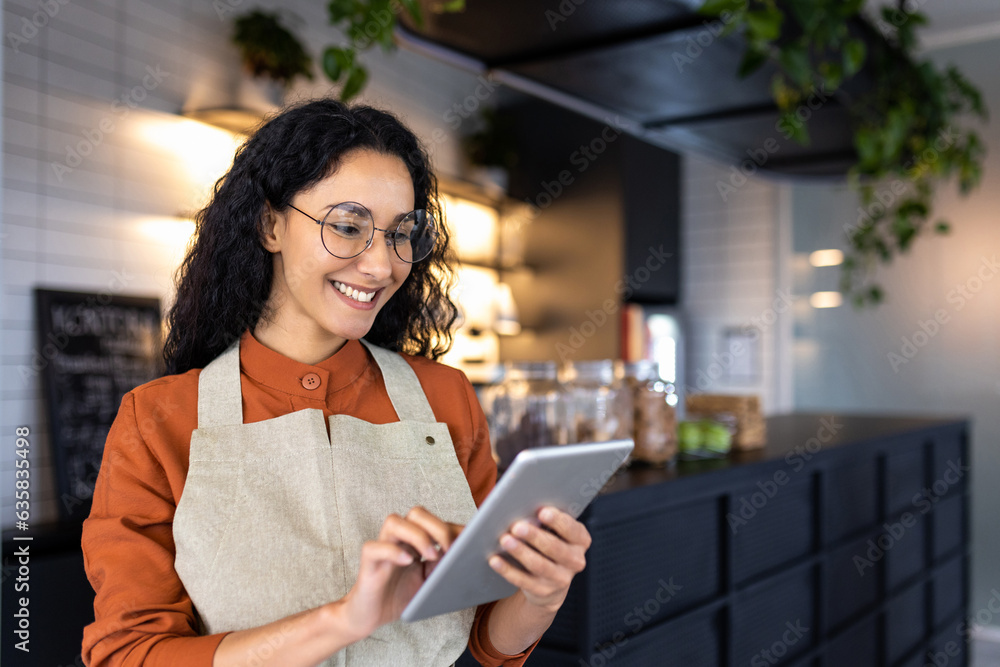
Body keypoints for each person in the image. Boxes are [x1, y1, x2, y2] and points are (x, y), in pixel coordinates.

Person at [80, 99, 592, 667]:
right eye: (348, 226)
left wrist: (541, 594)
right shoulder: (158, 419)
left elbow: (487, 638)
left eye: (400, 234)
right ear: (270, 224)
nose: (381, 266)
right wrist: (345, 620)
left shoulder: (446, 398)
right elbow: (129, 655)